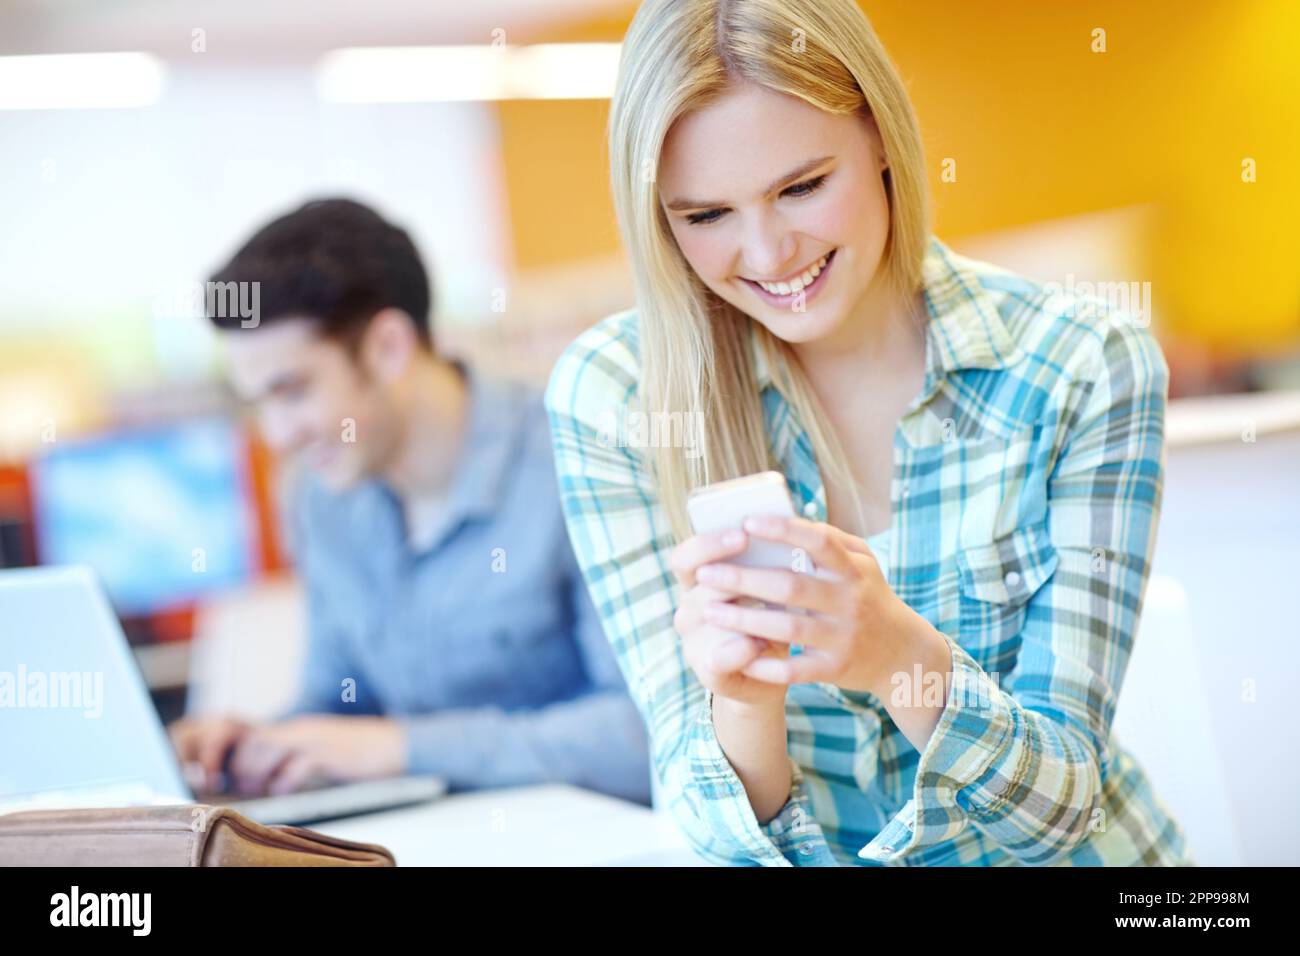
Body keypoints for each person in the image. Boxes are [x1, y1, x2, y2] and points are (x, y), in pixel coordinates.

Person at [543, 0, 1193, 863]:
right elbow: (705, 826)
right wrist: (743, 703)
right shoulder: (616, 396)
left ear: (881, 136)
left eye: (802, 187)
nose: (769, 253)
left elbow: (1062, 807)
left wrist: (898, 658)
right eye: (705, 216)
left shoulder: (1078, 363)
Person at [169, 198, 651, 805]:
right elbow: (339, 705)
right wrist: (259, 745)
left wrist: (401, 746)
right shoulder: (320, 499)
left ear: (388, 347)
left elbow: (645, 736)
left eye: (292, 391)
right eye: (258, 402)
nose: (277, 435)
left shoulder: (578, 458)